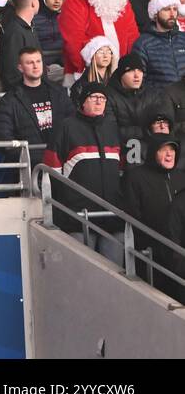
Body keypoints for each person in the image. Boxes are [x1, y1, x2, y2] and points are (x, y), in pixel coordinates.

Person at [44, 84, 125, 262]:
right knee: (80, 275)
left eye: (102, 98)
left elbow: (121, 170)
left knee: (114, 277)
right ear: (82, 102)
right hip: (77, 218)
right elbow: (52, 172)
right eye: (93, 97)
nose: (99, 101)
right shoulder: (66, 127)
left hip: (111, 218)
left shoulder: (112, 128)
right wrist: (66, 205)